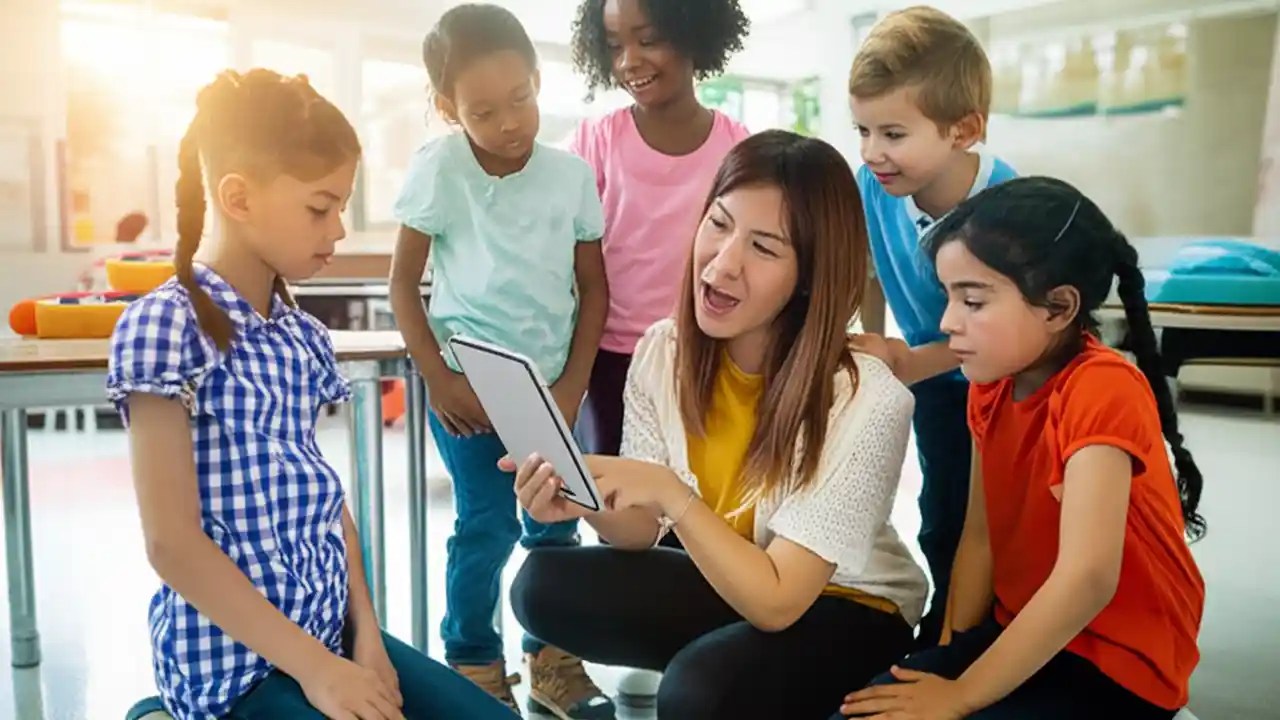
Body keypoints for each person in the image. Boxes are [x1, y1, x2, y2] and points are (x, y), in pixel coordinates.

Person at [109, 68, 516, 720]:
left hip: (330, 640)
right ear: (238, 198)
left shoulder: (301, 336)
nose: (338, 229)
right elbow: (172, 546)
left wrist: (368, 642)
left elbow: (328, 504)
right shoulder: (165, 325)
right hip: (233, 673)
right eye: (319, 207)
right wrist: (319, 671)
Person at [505, 130, 929, 720]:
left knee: (697, 694)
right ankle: (731, 671)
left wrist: (671, 495)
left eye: (764, 247)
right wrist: (580, 498)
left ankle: (735, 678)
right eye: (720, 223)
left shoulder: (867, 398)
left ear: (809, 276)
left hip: (846, 607)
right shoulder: (664, 352)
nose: (724, 262)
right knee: (542, 583)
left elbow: (780, 601)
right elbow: (639, 529)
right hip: (738, 575)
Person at [836, 177, 1206, 719]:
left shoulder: (1103, 387)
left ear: (1058, 308)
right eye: (949, 297)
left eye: (973, 300)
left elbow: (1088, 579)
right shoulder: (989, 386)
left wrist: (961, 695)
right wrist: (946, 659)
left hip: (1119, 664)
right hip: (1024, 634)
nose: (946, 322)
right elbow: (980, 539)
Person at [386, 5, 612, 719]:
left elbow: (593, 285)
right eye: (484, 110)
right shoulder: (440, 168)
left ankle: (551, 658)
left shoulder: (569, 174)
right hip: (471, 390)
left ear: (540, 80)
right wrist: (439, 376)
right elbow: (402, 284)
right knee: (485, 525)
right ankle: (474, 661)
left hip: (548, 392)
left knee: (556, 527)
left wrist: (573, 385)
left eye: (522, 98)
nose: (511, 121)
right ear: (449, 108)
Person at [847, 5, 1019, 647]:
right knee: (940, 512)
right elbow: (870, 269)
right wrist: (879, 352)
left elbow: (1002, 330)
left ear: (963, 130)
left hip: (1005, 385)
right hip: (935, 382)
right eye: (862, 129)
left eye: (892, 133)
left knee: (996, 518)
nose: (871, 152)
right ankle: (950, 624)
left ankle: (977, 636)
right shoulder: (874, 184)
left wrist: (913, 360)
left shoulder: (1004, 208)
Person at [567, 0, 752, 458]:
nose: (629, 60)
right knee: (621, 499)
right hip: (612, 360)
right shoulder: (596, 142)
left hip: (706, 356)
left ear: (693, 34)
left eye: (648, 40)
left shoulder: (738, 149)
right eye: (614, 46)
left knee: (696, 496)